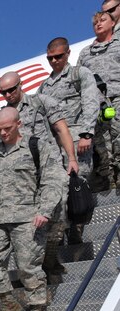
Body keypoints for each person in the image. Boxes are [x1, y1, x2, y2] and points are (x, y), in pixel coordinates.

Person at [0, 70, 76, 278]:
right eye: (3, 92)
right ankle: (40, 262)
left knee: (59, 211)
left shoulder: (40, 103)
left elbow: (61, 129)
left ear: (20, 85)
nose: (8, 95)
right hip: (19, 173)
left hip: (46, 165)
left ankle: (50, 258)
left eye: (11, 90)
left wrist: (71, 158)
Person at [0, 107, 66, 311]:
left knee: (28, 267)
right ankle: (9, 305)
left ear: (18, 124)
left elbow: (52, 181)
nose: (3, 134)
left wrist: (44, 210)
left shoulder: (36, 147)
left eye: (7, 129)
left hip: (28, 218)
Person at [39, 37, 101, 242]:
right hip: (54, 146)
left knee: (77, 185)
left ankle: (77, 231)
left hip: (77, 139)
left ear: (67, 54)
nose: (54, 61)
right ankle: (64, 232)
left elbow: (91, 102)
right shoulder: (44, 87)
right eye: (50, 58)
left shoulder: (79, 74)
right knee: (58, 189)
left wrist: (86, 134)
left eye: (58, 56)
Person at [78, 11, 120, 190]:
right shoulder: (85, 53)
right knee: (103, 146)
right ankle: (110, 181)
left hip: (118, 98)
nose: (98, 24)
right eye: (95, 22)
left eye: (103, 20)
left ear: (113, 23)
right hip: (98, 104)